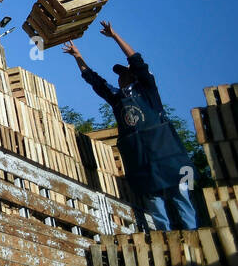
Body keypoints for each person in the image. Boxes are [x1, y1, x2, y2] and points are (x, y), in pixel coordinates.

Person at [63, 22, 197, 231]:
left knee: (180, 197)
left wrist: (115, 35)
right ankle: (166, 241)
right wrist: (77, 56)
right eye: (119, 74)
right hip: (143, 161)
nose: (120, 75)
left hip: (167, 155)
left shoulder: (147, 90)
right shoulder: (117, 98)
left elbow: (136, 60)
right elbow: (94, 80)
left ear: (133, 75)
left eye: (124, 72)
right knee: (155, 206)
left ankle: (194, 238)